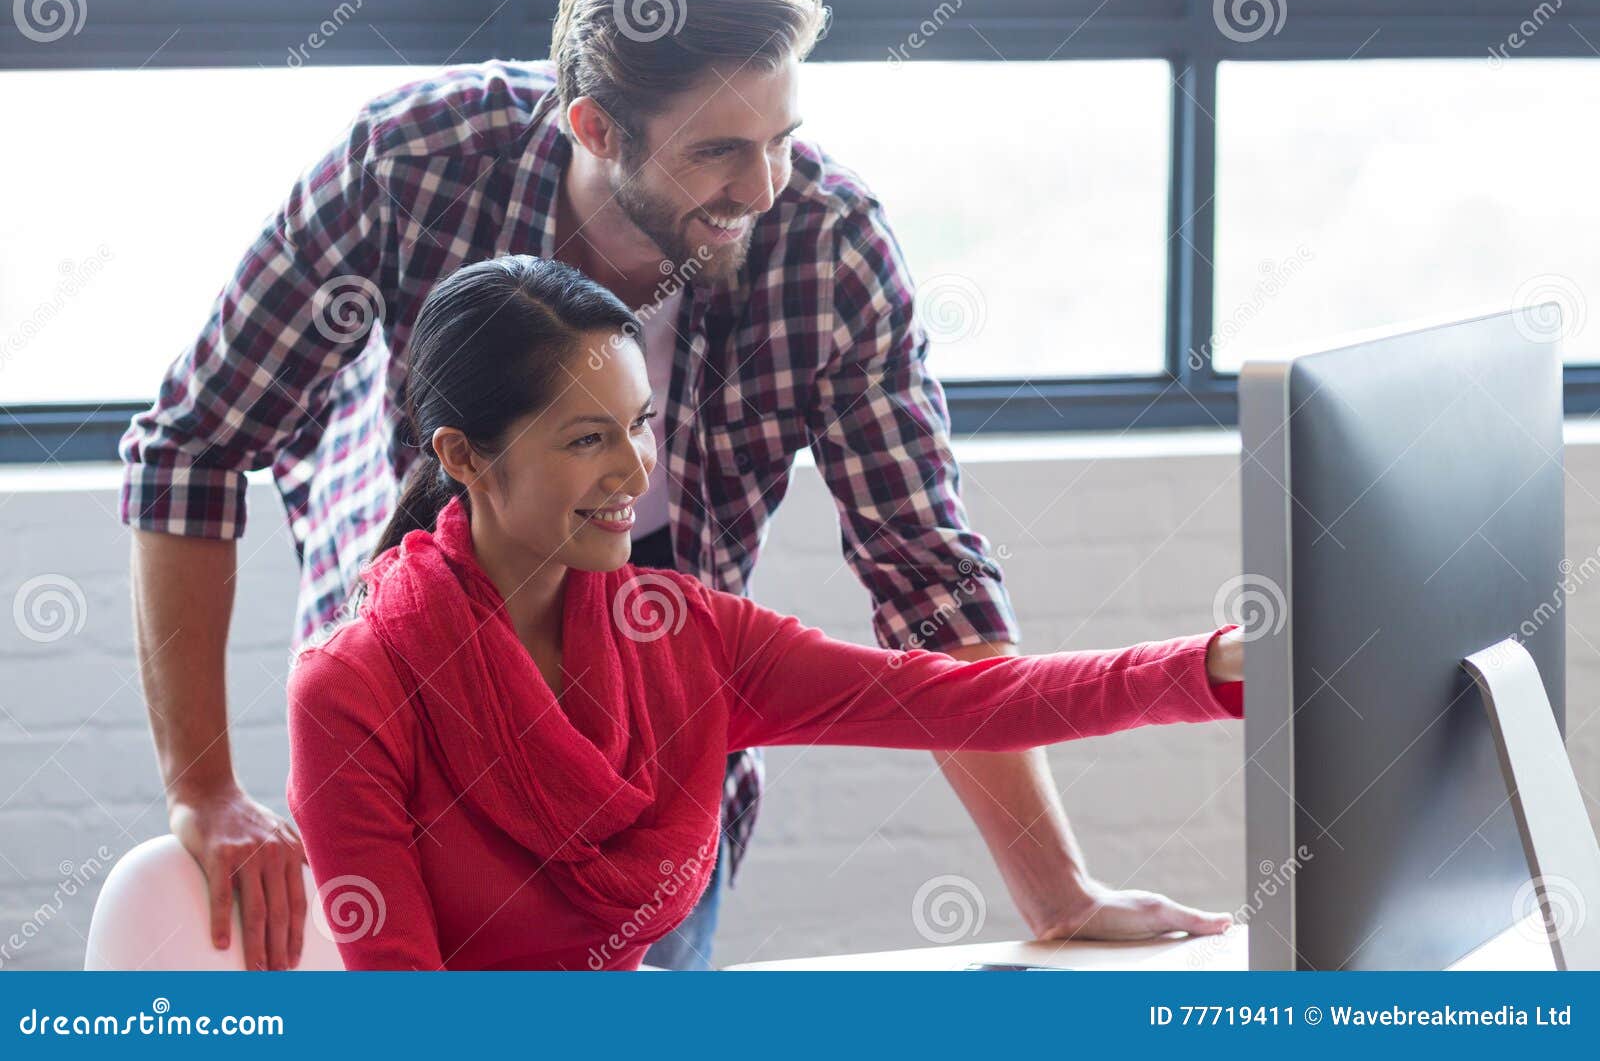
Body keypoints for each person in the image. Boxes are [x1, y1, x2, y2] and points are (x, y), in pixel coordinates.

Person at [122, 0, 1235, 973]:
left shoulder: (824, 251)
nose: (762, 189)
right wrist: (204, 787)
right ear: (595, 127)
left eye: (783, 140)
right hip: (419, 747)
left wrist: (1055, 890)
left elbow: (928, 589)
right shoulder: (412, 164)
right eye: (718, 152)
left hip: (648, 789)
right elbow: (193, 447)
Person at [284, 256, 1245, 971]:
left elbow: (963, 701)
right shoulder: (352, 690)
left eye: (641, 423)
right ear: (461, 455)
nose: (633, 471)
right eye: (588, 439)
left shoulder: (686, 634)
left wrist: (1214, 668)